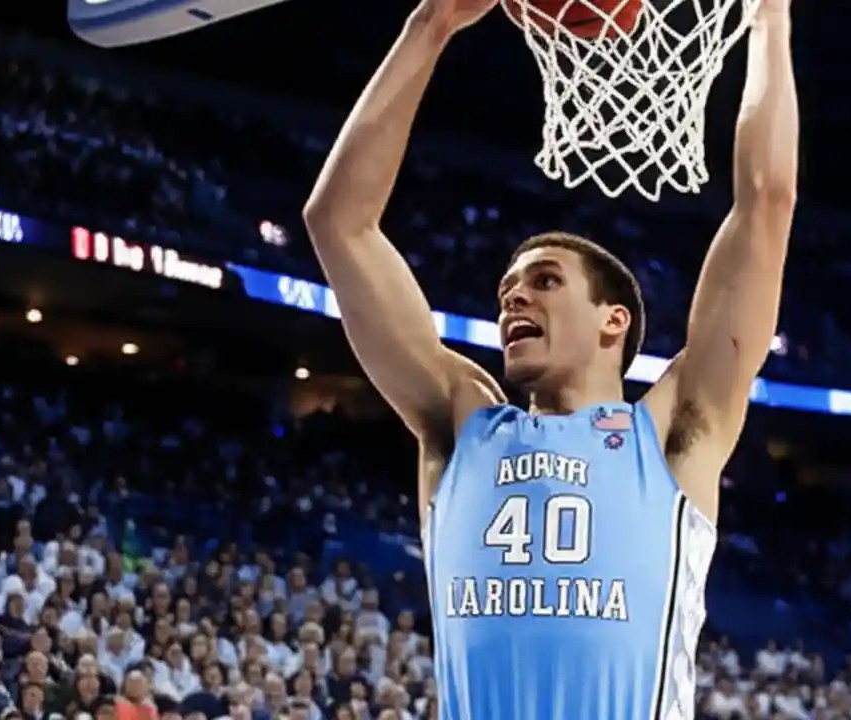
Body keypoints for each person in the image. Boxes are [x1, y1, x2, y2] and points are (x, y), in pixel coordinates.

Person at [302, 0, 798, 715]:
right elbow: (337, 224)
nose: (514, 298)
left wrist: (771, 21)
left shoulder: (673, 430)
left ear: (613, 321)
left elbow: (767, 202)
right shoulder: (462, 420)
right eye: (508, 288)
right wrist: (430, 25)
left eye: (544, 281)